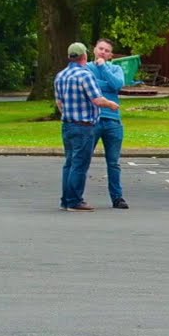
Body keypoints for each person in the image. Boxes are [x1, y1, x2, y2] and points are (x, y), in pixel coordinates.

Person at [55, 42, 120, 211]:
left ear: (70, 56)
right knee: (80, 164)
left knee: (69, 163)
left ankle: (65, 200)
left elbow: (59, 102)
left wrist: (68, 112)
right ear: (84, 56)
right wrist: (111, 104)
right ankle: (75, 201)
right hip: (83, 125)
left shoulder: (60, 75)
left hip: (67, 124)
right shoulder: (85, 75)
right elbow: (97, 99)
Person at [89, 38, 128, 208]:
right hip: (92, 120)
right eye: (100, 49)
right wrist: (106, 85)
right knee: (84, 159)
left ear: (111, 55)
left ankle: (117, 197)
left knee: (113, 162)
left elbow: (117, 85)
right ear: (94, 50)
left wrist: (103, 68)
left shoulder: (115, 68)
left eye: (106, 50)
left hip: (112, 120)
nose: (103, 52)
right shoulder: (86, 68)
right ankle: (77, 196)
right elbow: (90, 87)